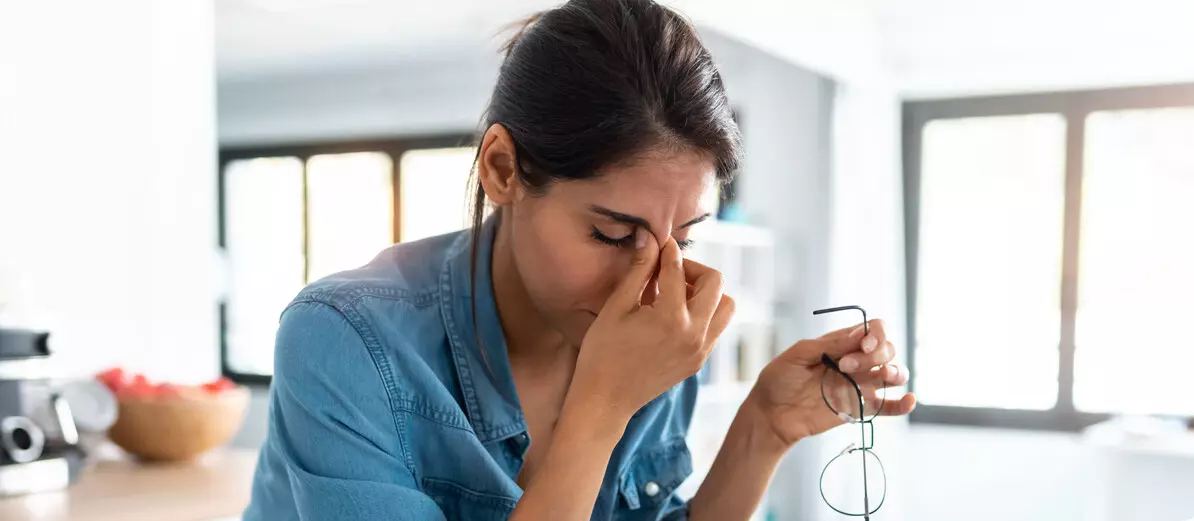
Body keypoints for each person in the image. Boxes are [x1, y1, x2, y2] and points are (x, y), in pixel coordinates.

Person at [242, 0, 915, 519]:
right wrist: (599, 409)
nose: (654, 280)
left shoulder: (651, 328)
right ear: (503, 169)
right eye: (614, 235)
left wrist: (764, 427)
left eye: (685, 235)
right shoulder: (344, 341)